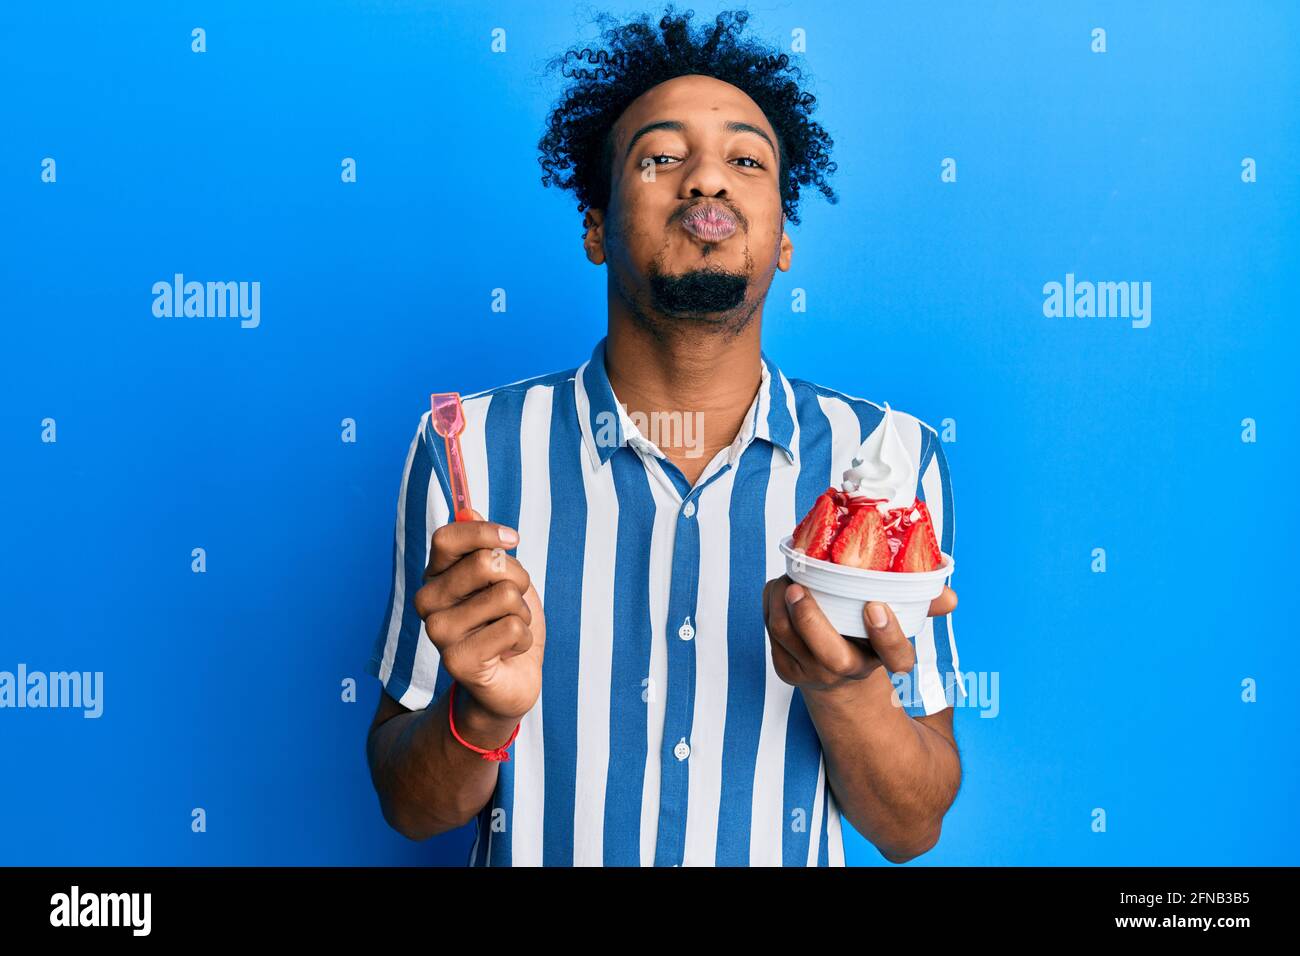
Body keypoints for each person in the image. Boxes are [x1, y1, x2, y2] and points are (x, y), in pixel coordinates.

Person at [365, 6, 964, 867]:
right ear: (598, 227)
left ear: (784, 236)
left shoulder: (892, 461)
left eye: (746, 160)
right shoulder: (468, 452)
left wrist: (846, 690)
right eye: (662, 157)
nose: (708, 182)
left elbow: (911, 827)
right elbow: (407, 805)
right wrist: (480, 715)